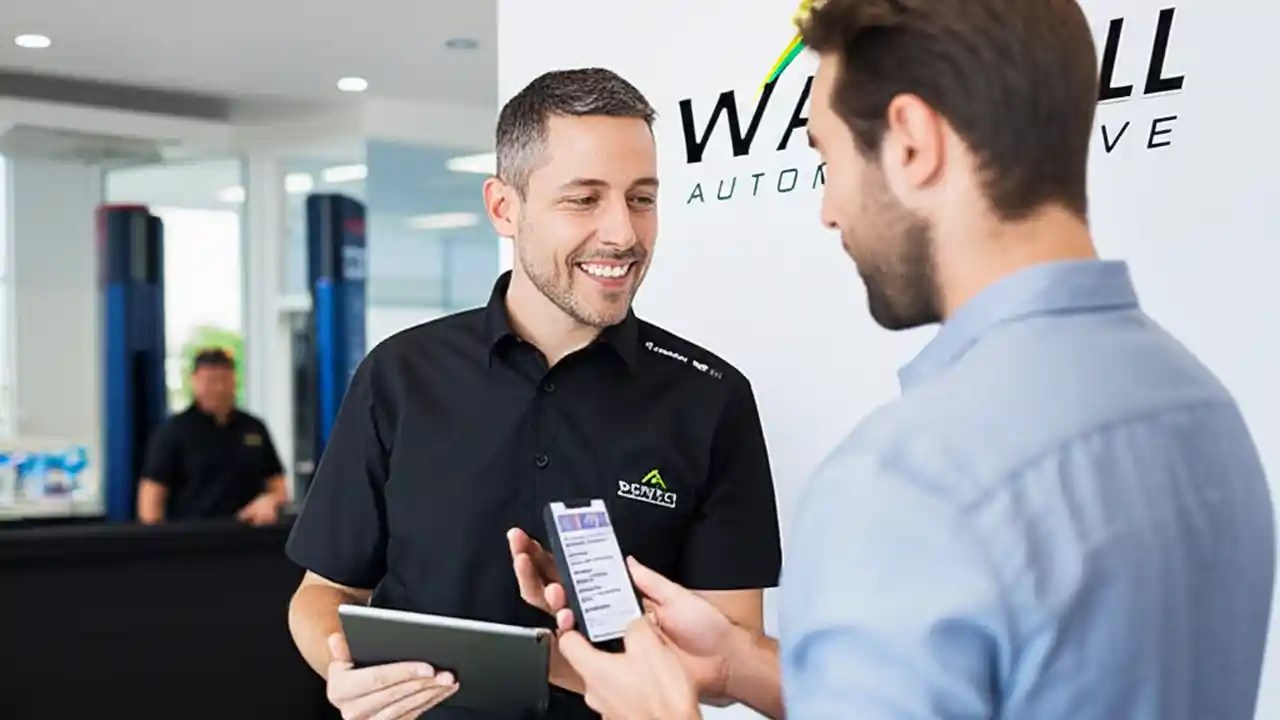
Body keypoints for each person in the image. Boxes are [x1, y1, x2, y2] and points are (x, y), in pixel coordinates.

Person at [539, 1, 1276, 718]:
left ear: (913, 144)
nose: (829, 209)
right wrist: (739, 664)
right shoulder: (1203, 410)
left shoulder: (906, 480)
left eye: (829, 158)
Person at [284, 67, 783, 720]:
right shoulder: (401, 375)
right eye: (584, 199)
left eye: (641, 198)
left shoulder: (711, 399)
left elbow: (726, 662)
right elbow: (321, 591)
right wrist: (344, 666)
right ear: (503, 207)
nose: (623, 234)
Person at [137, 347, 288, 525]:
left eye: (225, 379)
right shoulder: (173, 432)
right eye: (210, 381)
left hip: (250, 537)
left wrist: (271, 501)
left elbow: (278, 486)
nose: (219, 388)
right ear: (194, 381)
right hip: (194, 540)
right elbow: (150, 500)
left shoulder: (254, 428)